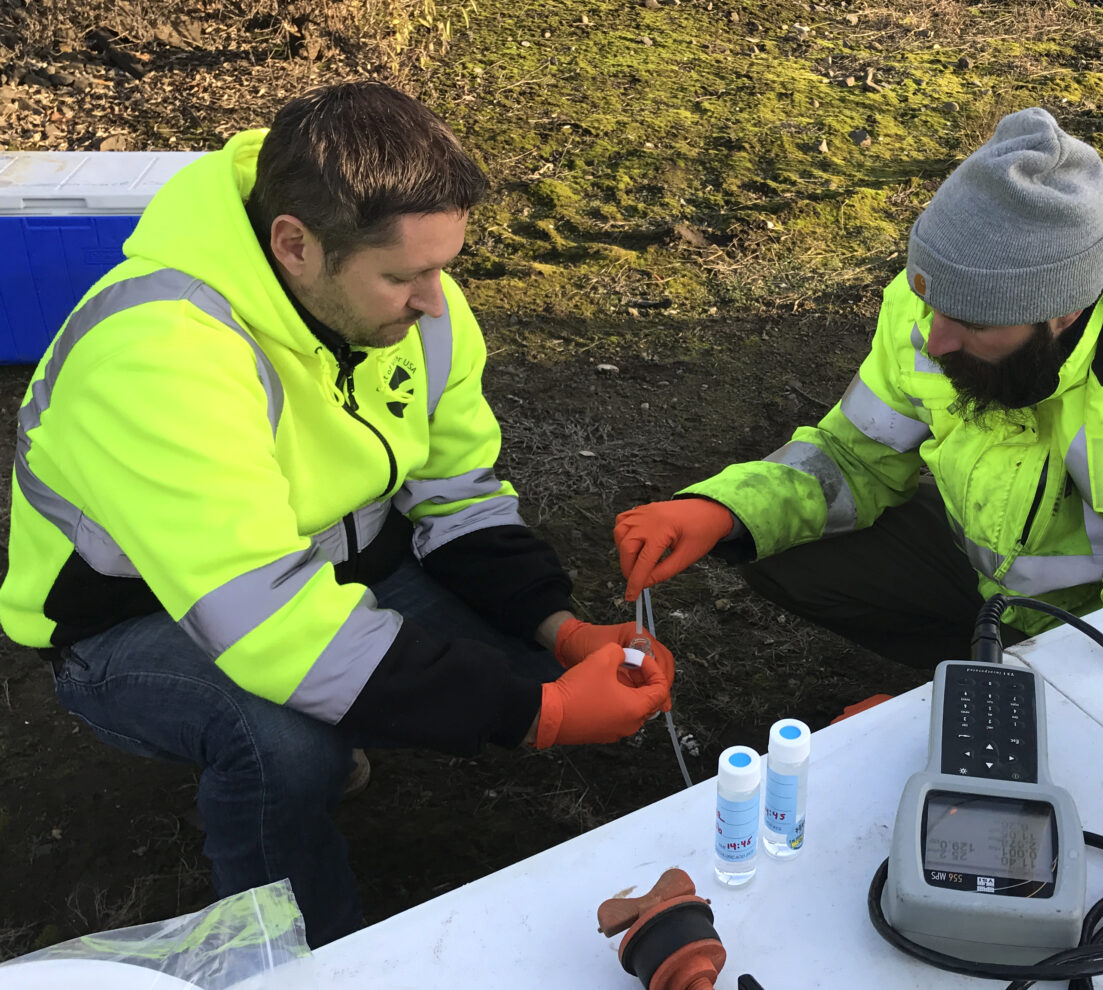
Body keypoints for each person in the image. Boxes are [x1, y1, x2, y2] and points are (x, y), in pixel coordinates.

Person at [0, 82, 674, 946]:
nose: (436, 301)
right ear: (296, 246)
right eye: (404, 275)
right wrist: (533, 718)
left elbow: (458, 498)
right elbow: (271, 621)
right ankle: (296, 955)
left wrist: (560, 630)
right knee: (284, 748)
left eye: (443, 266)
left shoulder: (420, 306)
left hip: (332, 569)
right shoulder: (158, 355)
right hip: (134, 620)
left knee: (516, 659)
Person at [614, 108, 1103, 667]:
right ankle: (967, 660)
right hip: (983, 574)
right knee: (778, 546)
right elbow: (855, 455)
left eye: (971, 324)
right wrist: (725, 511)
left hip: (1093, 633)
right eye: (933, 308)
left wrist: (963, 713)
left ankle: (974, 678)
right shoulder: (938, 305)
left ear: (1062, 314)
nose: (934, 341)